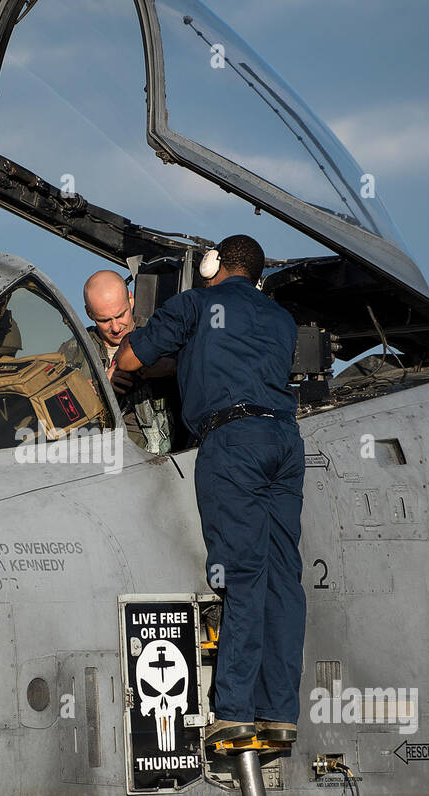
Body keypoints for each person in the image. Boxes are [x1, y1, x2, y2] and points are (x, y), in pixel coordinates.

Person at [114, 235, 305, 748]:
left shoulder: (195, 303)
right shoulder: (280, 319)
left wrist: (124, 358)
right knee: (284, 576)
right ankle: (280, 712)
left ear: (213, 264)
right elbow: (234, 361)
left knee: (241, 572)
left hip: (232, 442)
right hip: (285, 441)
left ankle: (236, 711)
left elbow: (131, 358)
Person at [63, 271, 177, 454]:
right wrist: (98, 388)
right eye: (104, 320)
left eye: (121, 315)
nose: (115, 327)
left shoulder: (161, 338)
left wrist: (170, 369)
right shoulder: (73, 352)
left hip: (153, 462)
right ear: (88, 313)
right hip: (91, 462)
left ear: (131, 300)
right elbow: (51, 414)